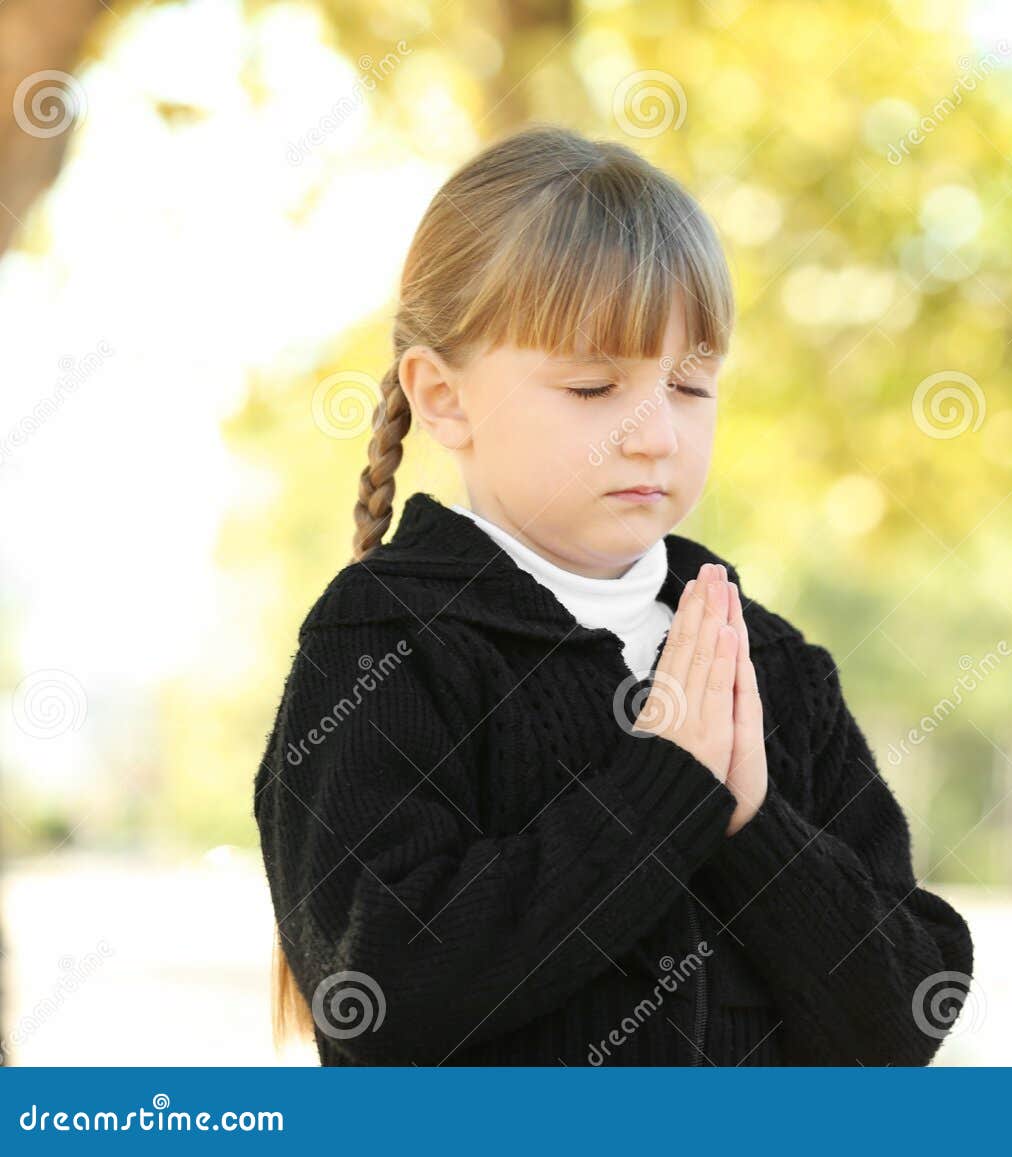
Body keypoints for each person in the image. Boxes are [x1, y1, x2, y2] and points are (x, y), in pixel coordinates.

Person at [253, 123, 974, 1066]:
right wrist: (668, 787)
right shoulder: (388, 641)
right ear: (444, 398)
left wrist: (756, 825)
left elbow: (905, 1018)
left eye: (689, 385)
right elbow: (380, 996)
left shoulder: (771, 666)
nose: (654, 436)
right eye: (594, 387)